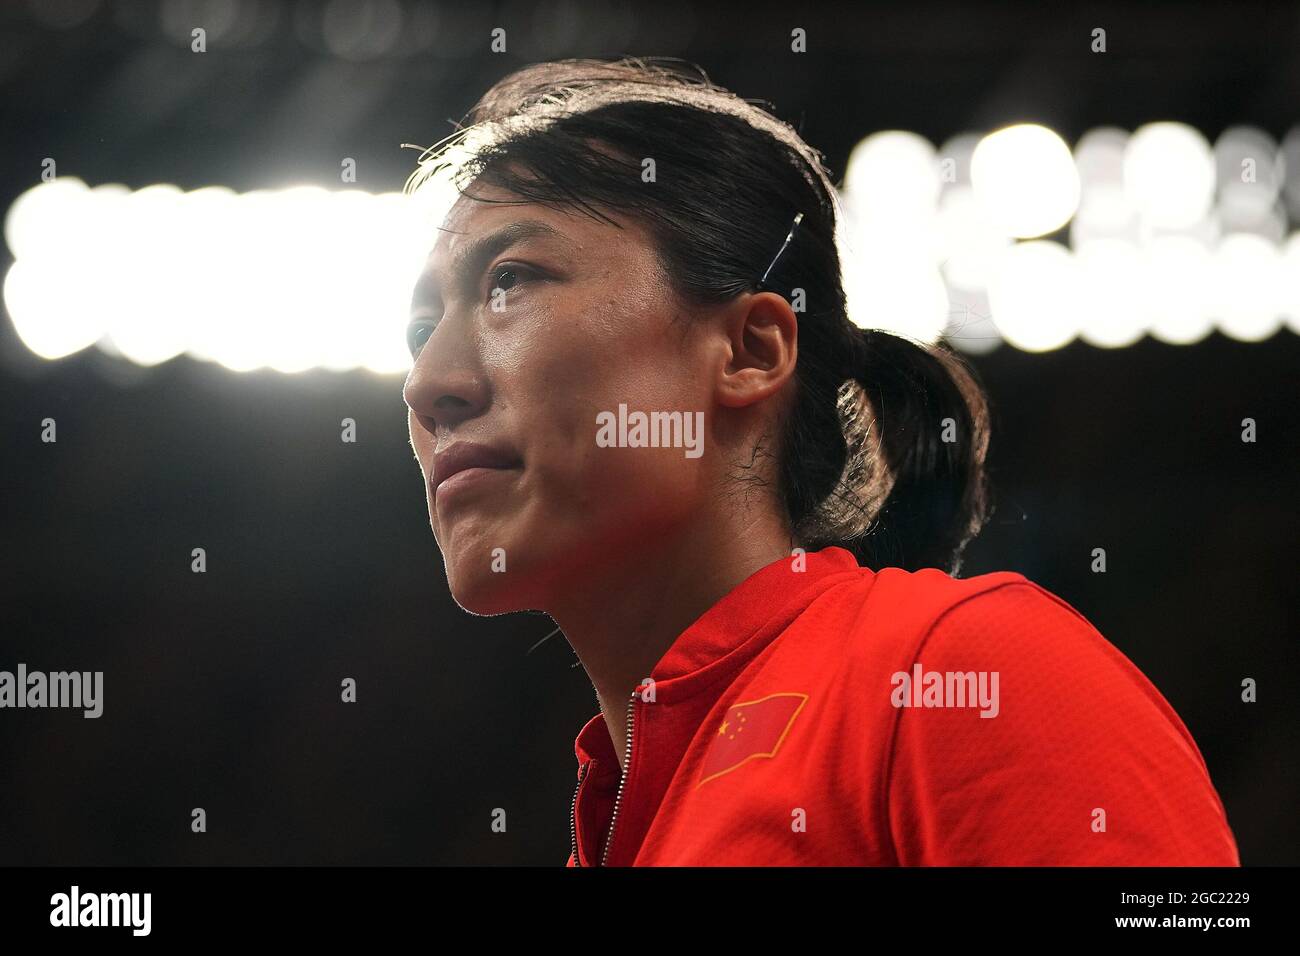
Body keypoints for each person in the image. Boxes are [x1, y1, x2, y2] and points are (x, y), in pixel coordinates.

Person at [399, 57, 1240, 866]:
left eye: (511, 281)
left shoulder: (963, 669)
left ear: (752, 350)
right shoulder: (621, 820)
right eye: (418, 333)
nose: (429, 384)